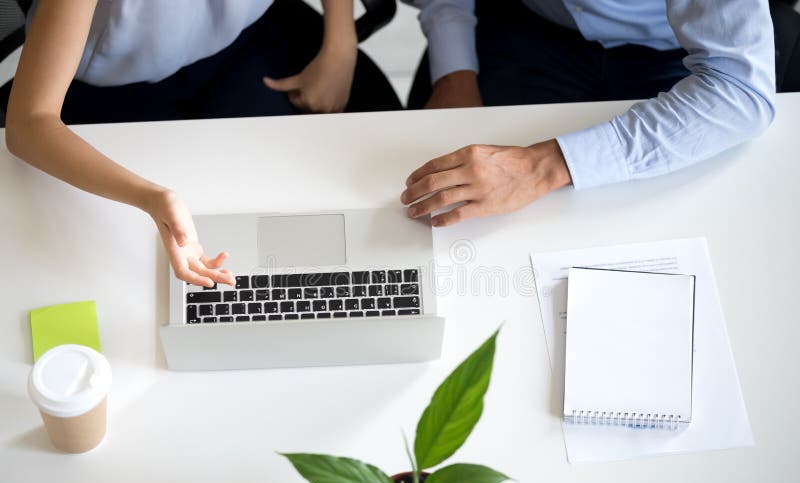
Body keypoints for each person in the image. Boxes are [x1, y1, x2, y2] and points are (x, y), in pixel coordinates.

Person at [4, 0, 401, 287]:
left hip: (239, 43)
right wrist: (150, 197)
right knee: (126, 267)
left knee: (280, 221)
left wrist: (340, 43)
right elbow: (28, 123)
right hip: (115, 87)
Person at [400, 0, 776, 227]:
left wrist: (543, 166)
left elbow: (740, 90)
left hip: (674, 46)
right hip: (532, 27)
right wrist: (454, 72)